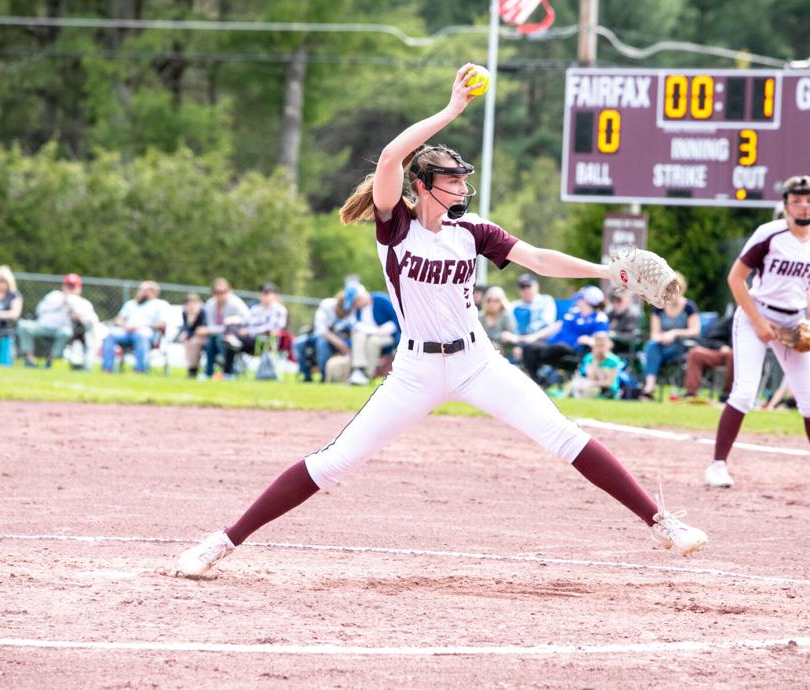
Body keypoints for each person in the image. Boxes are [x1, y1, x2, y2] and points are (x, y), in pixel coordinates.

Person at [169, 65, 706, 578]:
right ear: (424, 184)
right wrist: (452, 109)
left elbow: (539, 259)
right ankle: (223, 541)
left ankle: (662, 524)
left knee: (563, 435)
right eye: (451, 180)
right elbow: (388, 157)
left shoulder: (472, 231)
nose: (462, 189)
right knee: (334, 463)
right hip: (415, 370)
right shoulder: (396, 227)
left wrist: (607, 271)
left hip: (476, 360)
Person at [705, 175, 810, 491]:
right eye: (797, 200)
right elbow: (736, 279)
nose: (804, 206)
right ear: (786, 205)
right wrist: (758, 322)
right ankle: (717, 465)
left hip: (792, 321)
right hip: (755, 314)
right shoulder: (769, 235)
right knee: (745, 391)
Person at [517, 285, 610, 385]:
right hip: (552, 345)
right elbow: (557, 325)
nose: (578, 301)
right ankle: (536, 382)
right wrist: (534, 337)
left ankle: (545, 373)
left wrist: (588, 340)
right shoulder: (574, 313)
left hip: (573, 349)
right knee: (529, 348)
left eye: (581, 298)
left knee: (559, 346)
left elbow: (601, 341)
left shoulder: (599, 318)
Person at [16, 273, 98, 368]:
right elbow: (39, 310)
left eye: (73, 287)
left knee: (66, 332)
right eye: (68, 286)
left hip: (62, 331)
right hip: (42, 327)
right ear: (63, 286)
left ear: (79, 288)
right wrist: (63, 302)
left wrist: (77, 315)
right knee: (23, 325)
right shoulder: (54, 295)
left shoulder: (83, 304)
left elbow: (92, 322)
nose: (70, 289)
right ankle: (29, 360)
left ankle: (51, 361)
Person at [639, 272, 701, 399]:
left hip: (681, 347)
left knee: (651, 351)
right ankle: (650, 386)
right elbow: (654, 334)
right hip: (661, 346)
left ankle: (648, 386)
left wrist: (674, 333)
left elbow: (695, 330)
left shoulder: (689, 307)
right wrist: (662, 338)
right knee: (652, 346)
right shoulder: (658, 308)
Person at [329, 284, 400, 385]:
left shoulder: (381, 300)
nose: (355, 305)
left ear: (360, 297)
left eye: (355, 302)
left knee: (373, 341)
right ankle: (359, 369)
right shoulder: (357, 311)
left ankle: (367, 374)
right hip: (367, 336)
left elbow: (397, 318)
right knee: (358, 335)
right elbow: (355, 326)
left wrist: (384, 329)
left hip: (386, 336)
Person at [100, 280, 169, 374]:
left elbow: (162, 323)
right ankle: (107, 368)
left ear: (154, 291)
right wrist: (125, 326)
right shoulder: (131, 304)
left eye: (145, 289)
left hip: (145, 332)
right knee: (111, 335)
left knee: (141, 335)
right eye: (140, 289)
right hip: (126, 332)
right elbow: (119, 319)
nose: (141, 291)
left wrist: (140, 326)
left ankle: (139, 370)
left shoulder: (160, 304)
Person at [223, 282, 290, 376]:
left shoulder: (279, 309)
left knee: (232, 339)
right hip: (248, 340)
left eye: (267, 293)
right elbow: (246, 321)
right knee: (230, 329)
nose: (264, 295)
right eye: (262, 293)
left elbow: (272, 327)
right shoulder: (256, 308)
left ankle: (233, 342)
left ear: (275, 295)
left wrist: (250, 331)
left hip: (265, 341)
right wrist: (234, 320)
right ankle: (228, 373)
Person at [197, 277, 251, 379]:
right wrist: (209, 330)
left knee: (222, 339)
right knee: (211, 341)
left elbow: (248, 319)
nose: (221, 294)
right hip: (218, 335)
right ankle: (209, 372)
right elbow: (211, 325)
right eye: (218, 292)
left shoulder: (236, 303)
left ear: (229, 291)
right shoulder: (210, 304)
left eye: (224, 291)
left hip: (237, 336)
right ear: (213, 292)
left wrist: (234, 320)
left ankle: (229, 370)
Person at [296, 290, 353, 382]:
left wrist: (344, 344)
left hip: (343, 341)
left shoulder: (351, 312)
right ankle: (306, 376)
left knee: (322, 344)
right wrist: (339, 343)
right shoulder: (326, 305)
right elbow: (322, 330)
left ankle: (325, 377)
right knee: (299, 344)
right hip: (319, 337)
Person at [682, 312, 734, 402]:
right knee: (695, 353)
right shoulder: (731, 320)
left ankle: (728, 394)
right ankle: (691, 394)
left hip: (740, 356)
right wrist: (721, 346)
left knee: (732, 355)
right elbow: (712, 339)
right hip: (722, 353)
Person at [568, 331, 624, 399]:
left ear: (608, 345)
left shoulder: (614, 361)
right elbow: (591, 377)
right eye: (597, 345)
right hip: (593, 385)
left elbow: (609, 383)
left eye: (602, 345)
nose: (600, 348)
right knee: (574, 384)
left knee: (591, 389)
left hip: (608, 390)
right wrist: (595, 360)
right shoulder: (589, 358)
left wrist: (591, 384)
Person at [510, 273, 557, 337]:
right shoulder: (514, 305)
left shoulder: (546, 300)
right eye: (522, 287)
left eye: (528, 286)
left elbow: (547, 323)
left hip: (540, 339)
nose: (526, 290)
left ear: (536, 286)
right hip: (516, 339)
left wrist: (527, 334)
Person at [478, 285, 517, 359]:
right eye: (489, 300)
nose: (492, 303)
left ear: (502, 302)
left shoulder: (506, 317)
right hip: (482, 352)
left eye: (496, 300)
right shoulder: (480, 316)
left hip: (503, 354)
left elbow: (513, 339)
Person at [177, 292, 208, 378]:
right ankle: (191, 369)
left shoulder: (202, 313)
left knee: (193, 342)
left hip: (204, 337)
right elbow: (186, 328)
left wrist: (192, 320)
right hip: (193, 337)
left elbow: (201, 328)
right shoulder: (185, 313)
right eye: (189, 303)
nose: (191, 306)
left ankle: (193, 370)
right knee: (188, 342)